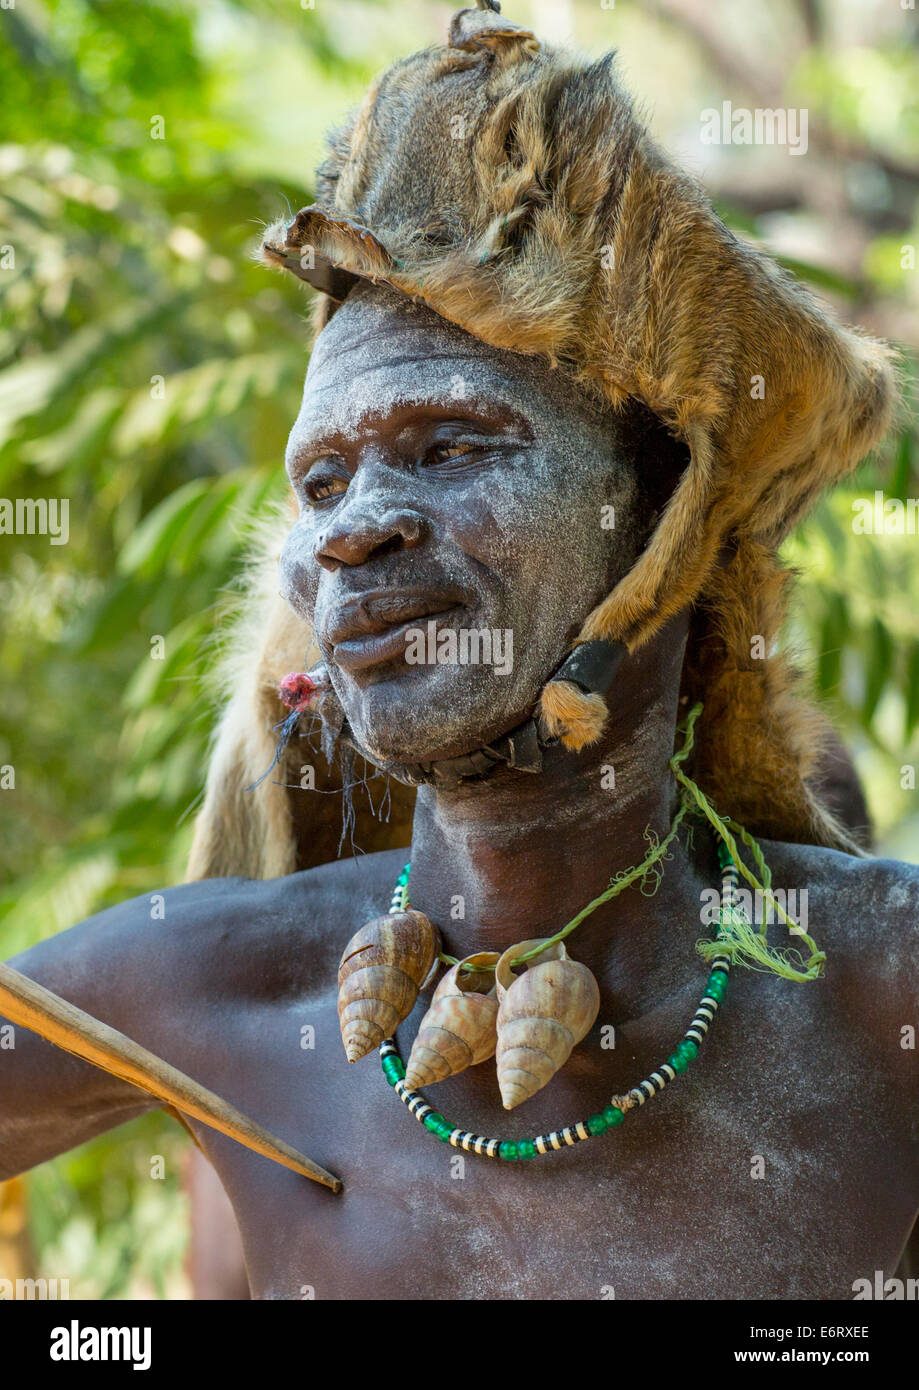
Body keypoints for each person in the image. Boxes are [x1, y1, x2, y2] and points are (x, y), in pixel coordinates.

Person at [1, 2, 915, 1300]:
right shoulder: (210, 985)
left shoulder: (879, 990)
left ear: (661, 515)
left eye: (450, 445)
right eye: (321, 478)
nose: (356, 531)